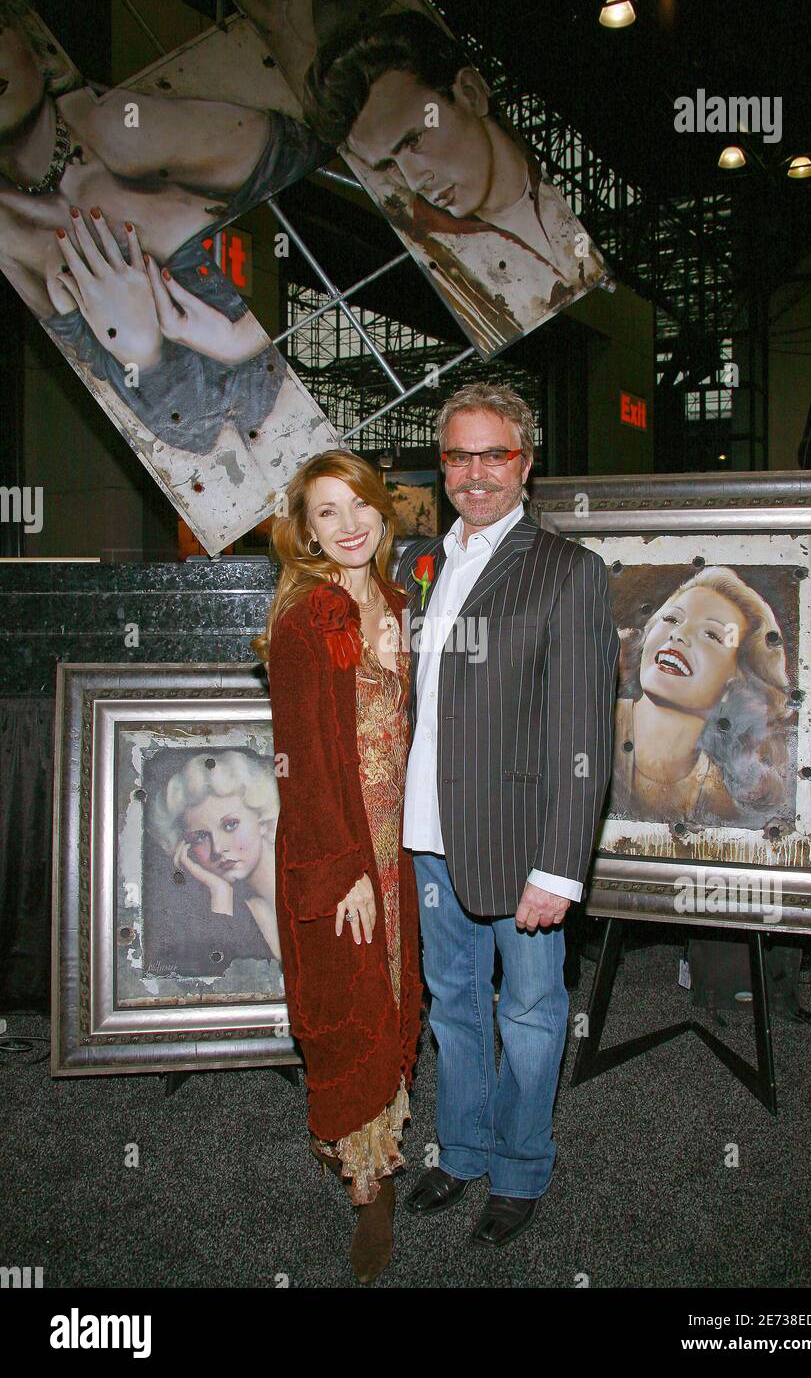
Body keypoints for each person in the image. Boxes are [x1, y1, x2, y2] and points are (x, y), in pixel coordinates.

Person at [395, 381, 619, 1247]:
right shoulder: (422, 563)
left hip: (521, 843)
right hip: (427, 839)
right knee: (450, 1005)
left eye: (495, 453)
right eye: (459, 454)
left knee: (528, 1015)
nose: (476, 472)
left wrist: (561, 868)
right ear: (442, 463)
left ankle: (522, 1169)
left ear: (527, 463)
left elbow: (583, 737)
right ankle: (461, 1149)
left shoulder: (568, 572)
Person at [0, 0, 329, 455]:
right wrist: (143, 354)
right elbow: (196, 440)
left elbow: (325, 147)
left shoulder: (129, 132)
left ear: (31, 37)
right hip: (269, 461)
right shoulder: (12, 241)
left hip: (311, 413)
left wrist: (238, 339)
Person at [252, 448, 423, 1284]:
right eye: (328, 512)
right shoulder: (303, 622)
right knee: (352, 1000)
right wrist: (340, 871)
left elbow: (407, 732)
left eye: (358, 506)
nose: (348, 524)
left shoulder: (393, 603)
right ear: (306, 529)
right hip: (342, 852)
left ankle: (376, 1143)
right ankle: (369, 1191)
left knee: (392, 989)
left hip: (398, 846)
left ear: (382, 514)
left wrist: (393, 667)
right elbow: (302, 765)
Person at [299, 9, 608, 355]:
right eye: (390, 164)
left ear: (472, 93)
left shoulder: (575, 223)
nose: (415, 180)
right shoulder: (442, 257)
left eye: (414, 140)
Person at [609, 566, 795, 828]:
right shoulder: (585, 727)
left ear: (737, 681)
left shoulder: (725, 801)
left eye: (711, 634)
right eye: (672, 619)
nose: (678, 635)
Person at [148, 749, 280, 977]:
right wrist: (220, 893)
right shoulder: (231, 909)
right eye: (199, 837)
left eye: (230, 824)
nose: (218, 848)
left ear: (261, 818)